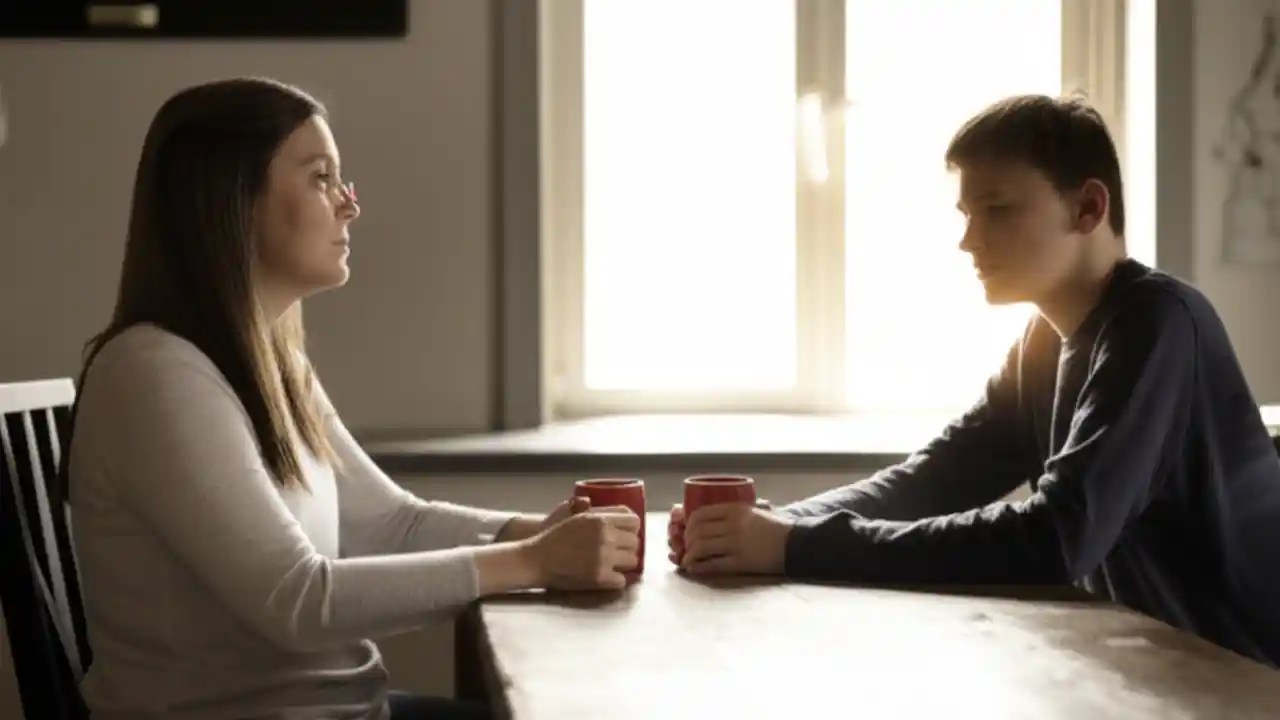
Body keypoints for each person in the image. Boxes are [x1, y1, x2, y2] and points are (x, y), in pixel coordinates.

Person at [67, 77, 640, 719]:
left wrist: (539, 532)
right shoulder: (153, 373)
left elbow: (392, 524)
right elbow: (298, 602)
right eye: (321, 177)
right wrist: (532, 560)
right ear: (232, 199)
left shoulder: (269, 364)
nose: (349, 205)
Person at [671, 95, 1280, 668]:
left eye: (998, 210)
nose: (968, 240)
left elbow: (1055, 538)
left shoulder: (1158, 324)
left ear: (1088, 208)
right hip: (1165, 673)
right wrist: (767, 525)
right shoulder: (1042, 342)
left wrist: (792, 546)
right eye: (966, 214)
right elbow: (934, 482)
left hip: (1248, 683)